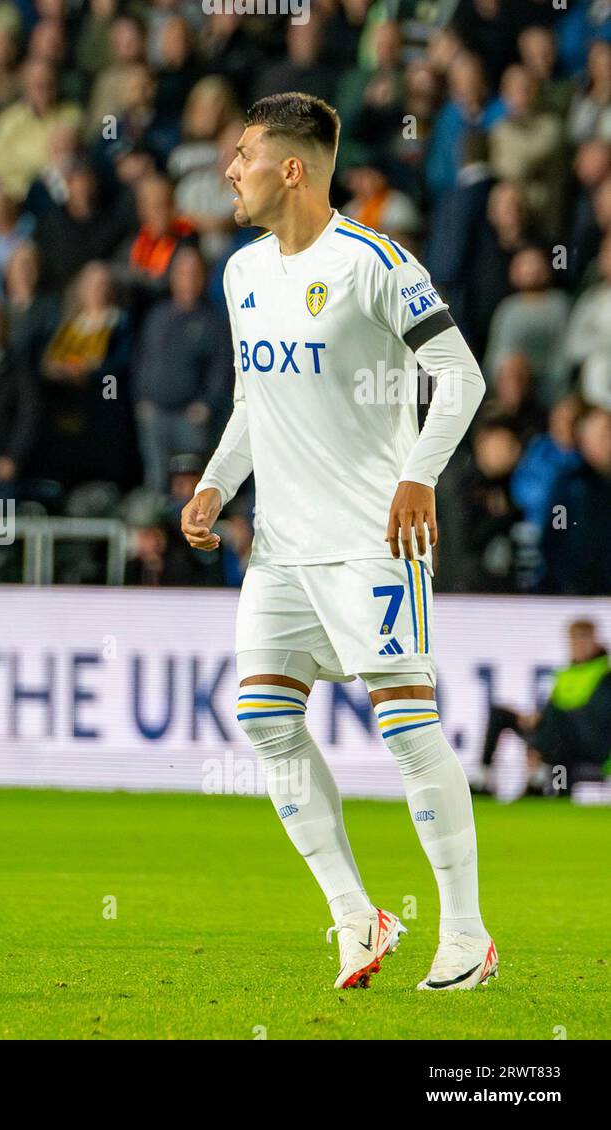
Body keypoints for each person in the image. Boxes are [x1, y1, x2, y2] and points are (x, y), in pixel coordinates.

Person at [181, 94, 493, 992]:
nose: (228, 171)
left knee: (405, 728)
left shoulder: (377, 265)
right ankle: (357, 917)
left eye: (242, 154)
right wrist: (215, 482)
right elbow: (254, 397)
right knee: (266, 721)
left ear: (292, 168)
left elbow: (459, 375)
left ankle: (466, 934)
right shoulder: (241, 273)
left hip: (371, 540)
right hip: (280, 548)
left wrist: (419, 473)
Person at [476, 620, 611, 797]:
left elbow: (597, 717)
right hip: (555, 736)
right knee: (500, 714)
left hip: (590, 745)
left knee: (559, 722)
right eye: (574, 640)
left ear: (594, 641)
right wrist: (537, 719)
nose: (578, 645)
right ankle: (484, 778)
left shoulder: (604, 674)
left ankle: (540, 775)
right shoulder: (566, 674)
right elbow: (552, 710)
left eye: (583, 639)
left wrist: (544, 727)